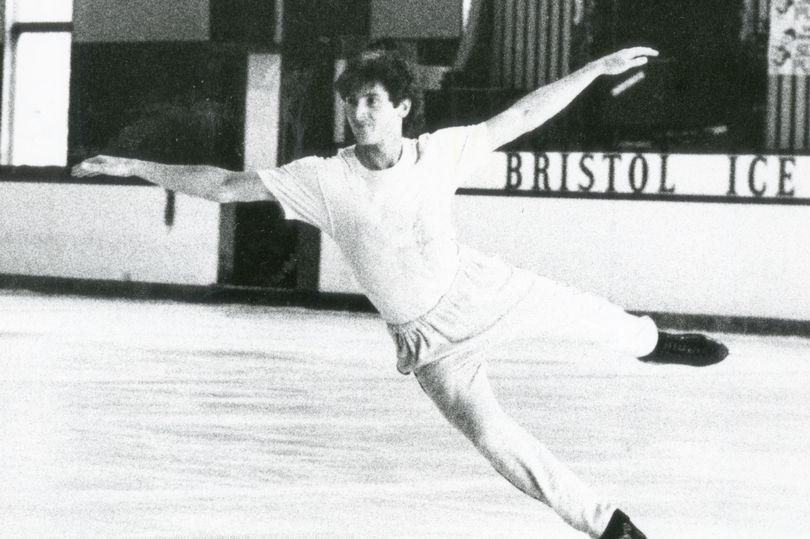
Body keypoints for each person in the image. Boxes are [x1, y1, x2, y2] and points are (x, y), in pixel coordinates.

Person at [73, 46, 728, 539]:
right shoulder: (323, 178)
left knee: (584, 315)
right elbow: (223, 186)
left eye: (371, 102)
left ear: (403, 108)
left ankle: (653, 342)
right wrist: (134, 165)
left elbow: (523, 114)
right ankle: (608, 524)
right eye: (351, 103)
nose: (358, 114)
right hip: (429, 345)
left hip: (480, 291)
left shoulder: (442, 151)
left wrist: (597, 68)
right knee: (495, 440)